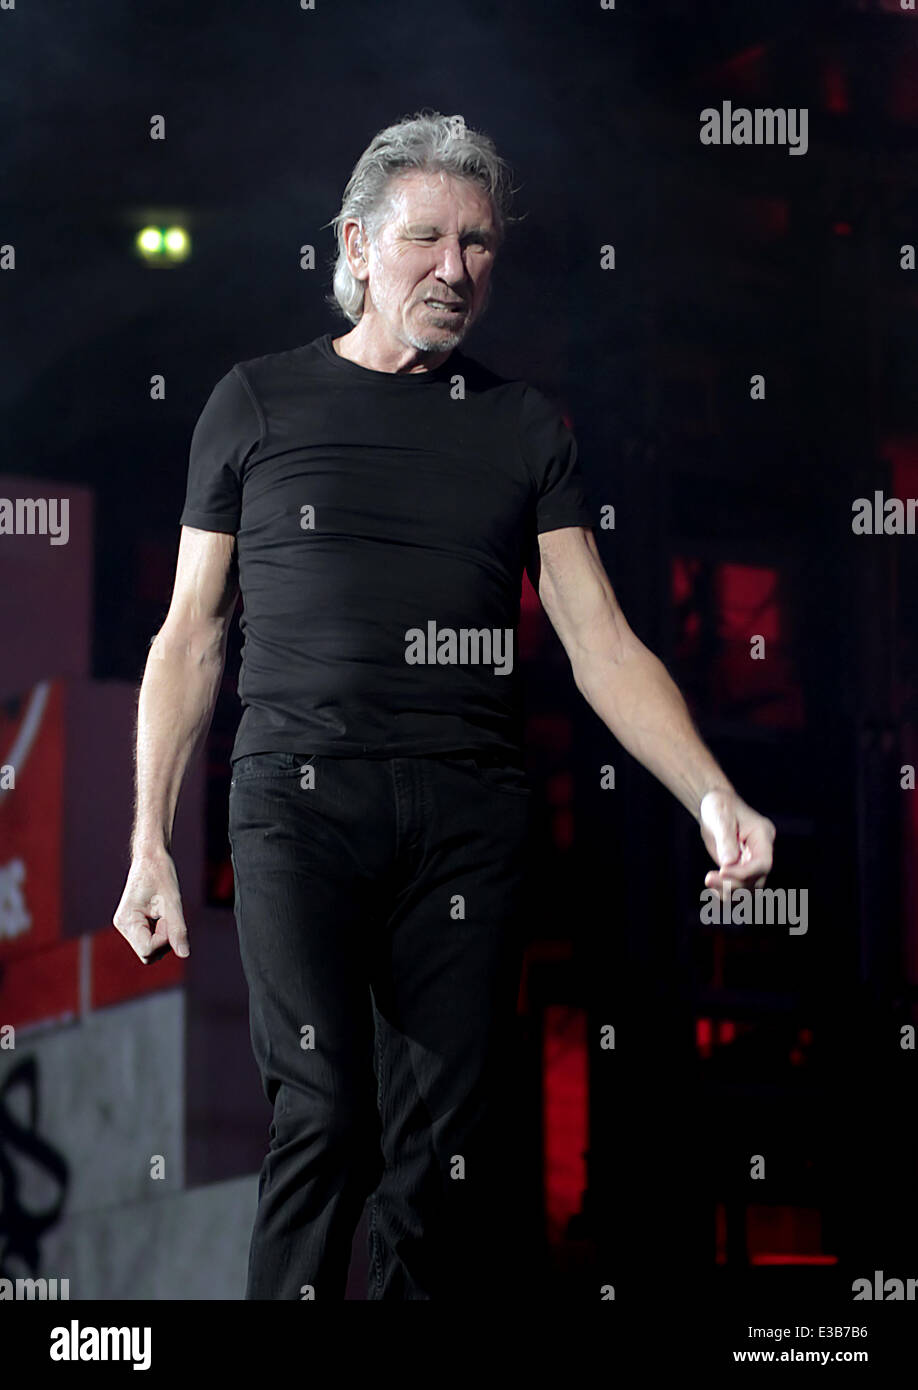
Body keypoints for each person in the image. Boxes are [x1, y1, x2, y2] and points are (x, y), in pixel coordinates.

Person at [113, 110, 775, 1300]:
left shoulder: (524, 426)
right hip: (298, 806)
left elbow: (601, 639)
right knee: (322, 1112)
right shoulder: (255, 403)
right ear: (358, 247)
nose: (456, 269)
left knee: (441, 1162)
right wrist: (149, 842)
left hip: (469, 818)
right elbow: (190, 634)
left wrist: (713, 794)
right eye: (427, 239)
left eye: (478, 245)